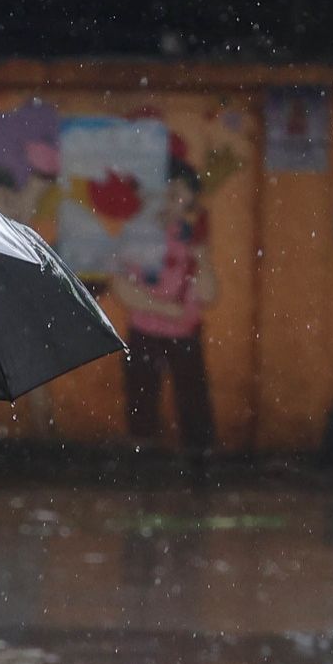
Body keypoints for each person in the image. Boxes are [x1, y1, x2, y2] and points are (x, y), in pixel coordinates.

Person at [111, 158, 218, 459]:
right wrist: (164, 309)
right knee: (141, 397)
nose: (170, 200)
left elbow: (208, 295)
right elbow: (122, 287)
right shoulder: (135, 235)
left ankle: (200, 459)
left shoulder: (191, 239)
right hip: (144, 332)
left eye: (179, 193)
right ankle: (141, 456)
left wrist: (203, 258)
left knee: (193, 397)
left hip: (186, 334)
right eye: (164, 191)